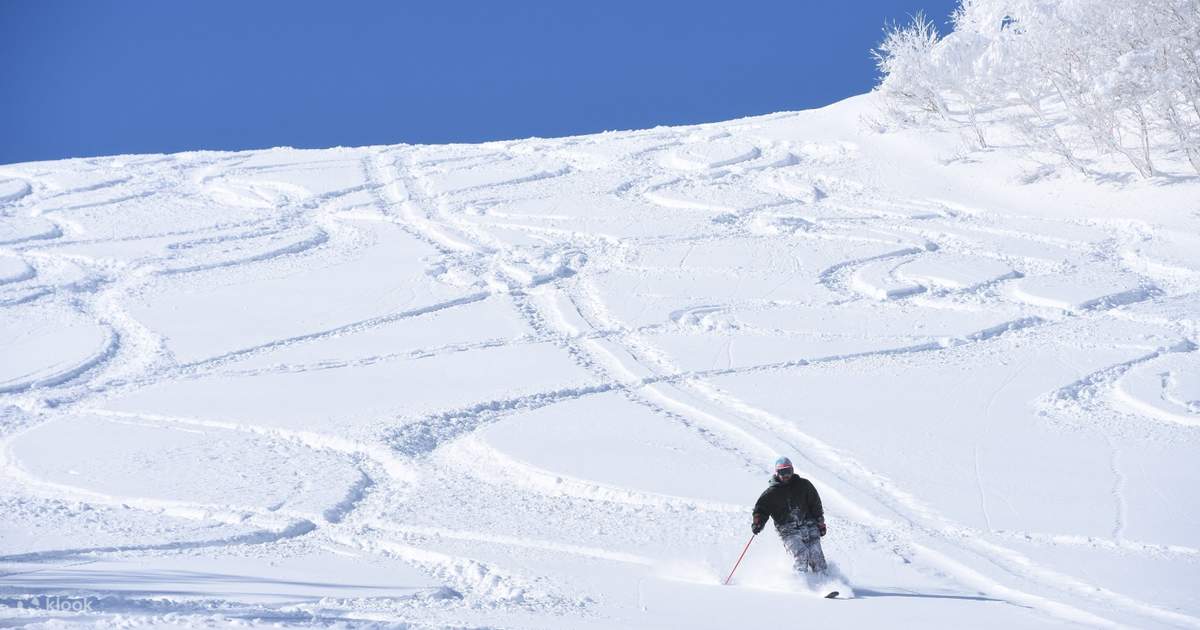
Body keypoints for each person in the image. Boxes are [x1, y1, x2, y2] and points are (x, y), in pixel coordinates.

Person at [751, 456, 828, 574]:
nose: (786, 475)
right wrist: (758, 522)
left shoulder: (804, 485)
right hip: (787, 529)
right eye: (782, 472)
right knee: (802, 555)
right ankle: (800, 584)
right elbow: (761, 509)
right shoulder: (771, 493)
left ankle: (824, 581)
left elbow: (815, 504)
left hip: (809, 524)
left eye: (788, 471)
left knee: (816, 554)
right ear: (777, 473)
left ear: (792, 471)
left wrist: (820, 522)